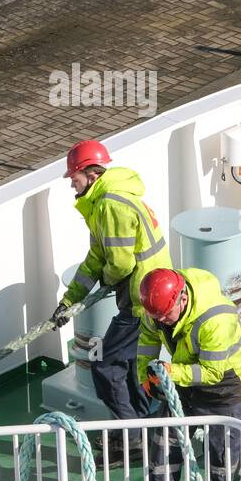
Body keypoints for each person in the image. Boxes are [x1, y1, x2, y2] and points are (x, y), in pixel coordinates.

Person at [54, 140, 172, 458]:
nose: (71, 184)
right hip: (145, 294)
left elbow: (119, 264)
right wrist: (69, 300)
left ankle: (133, 436)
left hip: (141, 300)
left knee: (105, 367)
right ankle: (139, 429)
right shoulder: (106, 200)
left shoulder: (110, 204)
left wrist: (105, 281)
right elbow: (97, 256)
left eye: (73, 177)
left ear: (90, 174)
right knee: (128, 367)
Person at [136, 267, 241, 481]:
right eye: (157, 316)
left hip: (225, 387)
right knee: (165, 439)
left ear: (183, 299)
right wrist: (144, 374)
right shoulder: (157, 310)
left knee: (221, 456)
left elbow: (212, 373)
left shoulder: (216, 319)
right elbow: (148, 338)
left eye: (166, 316)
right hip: (185, 373)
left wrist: (172, 372)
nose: (161, 321)